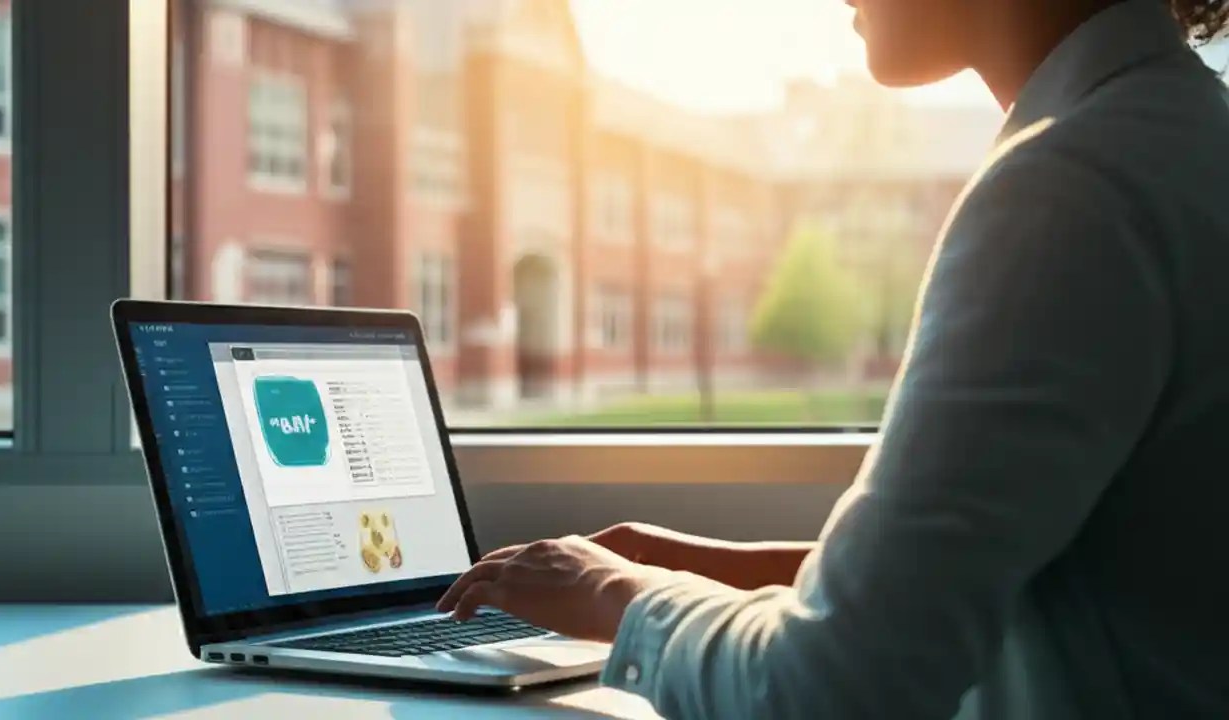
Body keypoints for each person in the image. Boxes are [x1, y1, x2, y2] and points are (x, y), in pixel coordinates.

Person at [439, 0, 1229, 716]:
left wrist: (615, 592)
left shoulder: (1070, 190)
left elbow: (831, 687)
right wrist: (734, 570)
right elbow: (1062, 568)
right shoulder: (1182, 132)